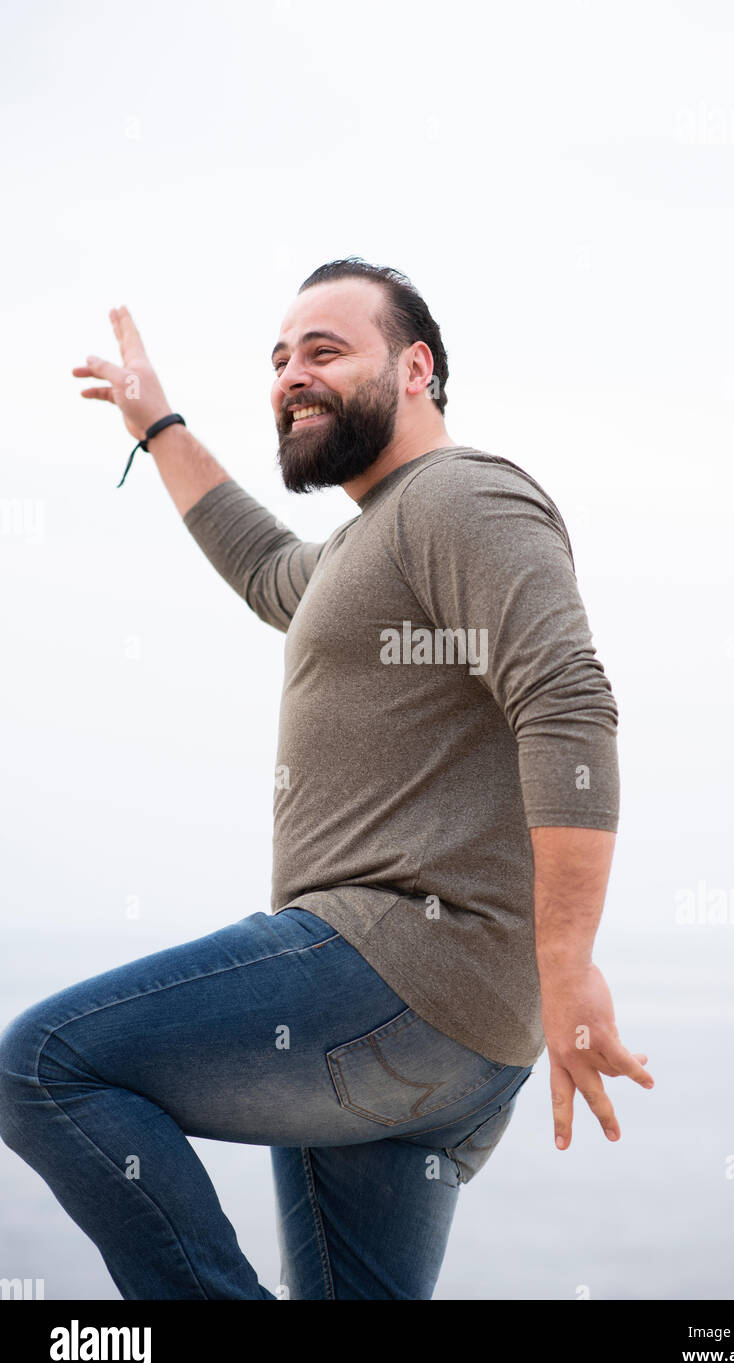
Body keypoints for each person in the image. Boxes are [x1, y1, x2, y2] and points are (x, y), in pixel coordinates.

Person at [0, 258, 653, 1300]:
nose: (291, 375)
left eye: (325, 349)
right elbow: (264, 567)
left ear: (416, 370)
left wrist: (570, 961)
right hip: (425, 1043)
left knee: (44, 1064)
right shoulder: (368, 542)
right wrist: (159, 425)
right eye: (277, 359)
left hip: (390, 969)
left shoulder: (462, 495)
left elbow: (569, 703)